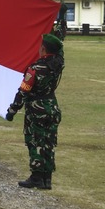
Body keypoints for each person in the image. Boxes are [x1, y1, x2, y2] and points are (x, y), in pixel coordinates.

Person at [6, 33, 65, 190]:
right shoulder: (57, 65)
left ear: (43, 49)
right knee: (49, 143)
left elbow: (23, 91)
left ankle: (36, 177)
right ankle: (47, 179)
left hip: (36, 110)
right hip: (52, 107)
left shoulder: (34, 69)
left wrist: (12, 111)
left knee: (35, 142)